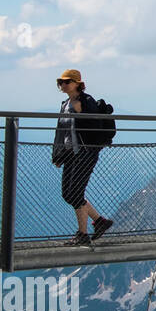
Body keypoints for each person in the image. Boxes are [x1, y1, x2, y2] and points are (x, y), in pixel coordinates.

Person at [51, 69, 113, 246]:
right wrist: (58, 154)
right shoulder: (64, 104)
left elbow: (95, 126)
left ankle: (83, 234)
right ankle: (100, 221)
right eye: (60, 82)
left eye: (67, 82)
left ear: (77, 83)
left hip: (85, 153)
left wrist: (81, 114)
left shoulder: (86, 101)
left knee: (75, 193)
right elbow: (61, 132)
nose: (63, 85)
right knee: (67, 194)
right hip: (70, 154)